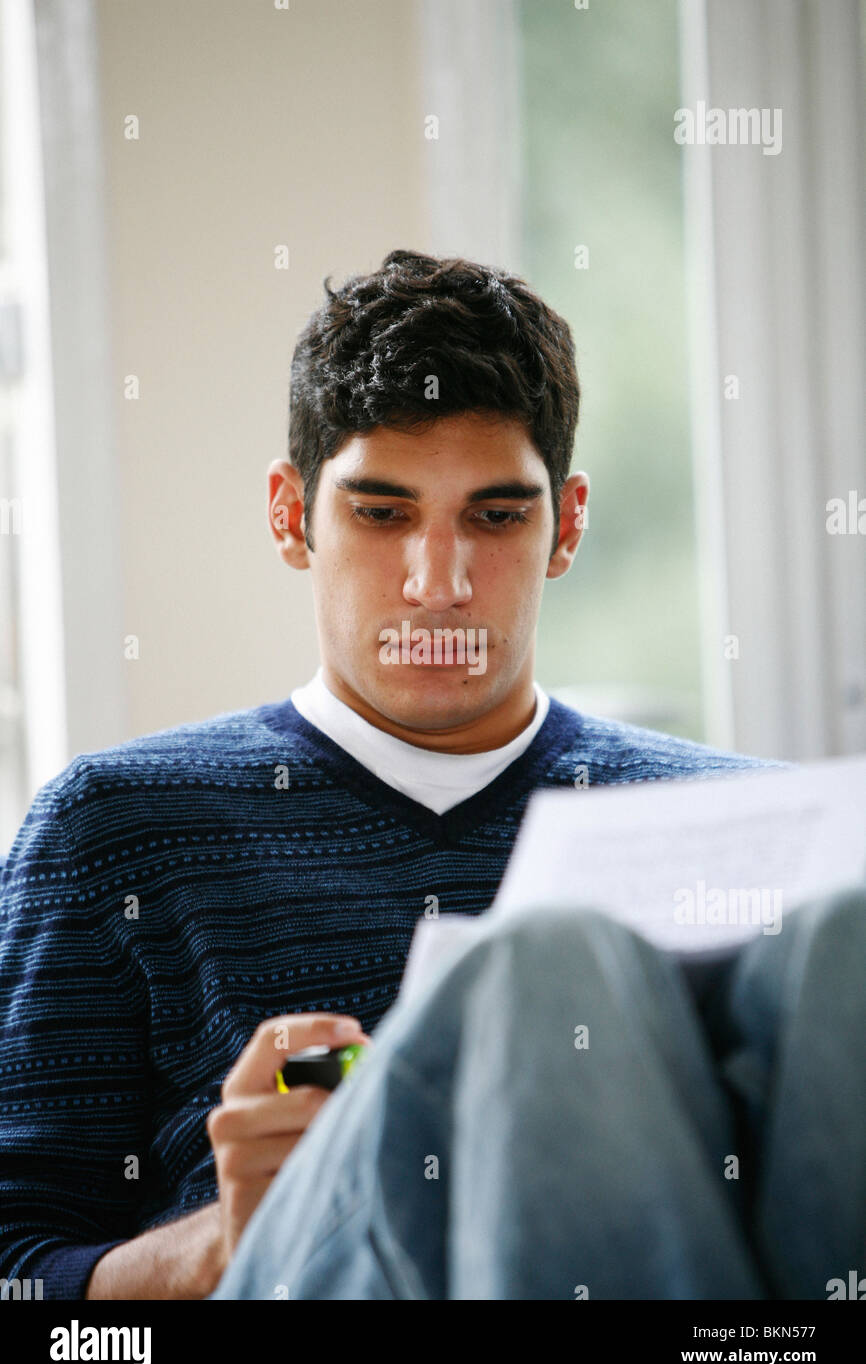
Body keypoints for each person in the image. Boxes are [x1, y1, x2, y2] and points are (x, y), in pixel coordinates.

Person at [0, 249, 783, 1300]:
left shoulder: (734, 822)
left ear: (569, 524)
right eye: (381, 513)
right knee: (539, 970)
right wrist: (225, 1243)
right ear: (290, 515)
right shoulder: (113, 831)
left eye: (496, 516)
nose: (439, 583)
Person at [210, 883, 866, 1301]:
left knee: (849, 933)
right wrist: (218, 1241)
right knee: (543, 960)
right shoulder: (119, 807)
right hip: (323, 1254)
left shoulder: (736, 795)